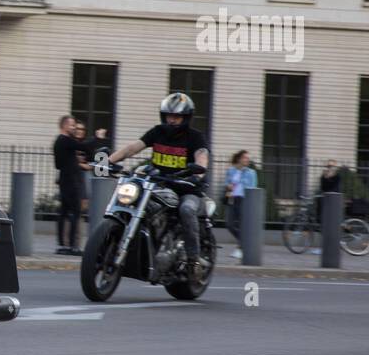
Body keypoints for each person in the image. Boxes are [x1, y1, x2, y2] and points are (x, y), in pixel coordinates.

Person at [105, 93, 210, 281]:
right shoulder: (157, 132)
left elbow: (202, 156)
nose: (172, 120)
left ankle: (193, 260)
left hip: (186, 188)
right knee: (136, 200)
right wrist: (107, 162)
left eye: (177, 117)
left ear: (186, 118)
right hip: (159, 185)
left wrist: (198, 174)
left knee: (186, 210)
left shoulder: (195, 137)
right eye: (169, 116)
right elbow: (133, 148)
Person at [52, 115, 86, 254]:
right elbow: (83, 146)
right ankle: (72, 246)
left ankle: (63, 245)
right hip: (71, 181)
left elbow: (58, 164)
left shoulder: (59, 141)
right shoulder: (66, 141)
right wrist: (98, 138)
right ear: (65, 126)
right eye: (72, 125)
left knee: (64, 212)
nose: (74, 128)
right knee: (76, 211)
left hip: (65, 180)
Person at [224, 150, 256, 259]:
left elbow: (253, 188)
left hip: (244, 200)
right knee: (230, 225)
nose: (247, 160)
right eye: (245, 158)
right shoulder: (231, 171)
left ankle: (240, 249)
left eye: (248, 158)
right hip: (232, 199)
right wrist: (228, 186)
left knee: (242, 225)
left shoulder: (251, 173)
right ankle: (244, 242)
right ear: (239, 159)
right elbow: (226, 183)